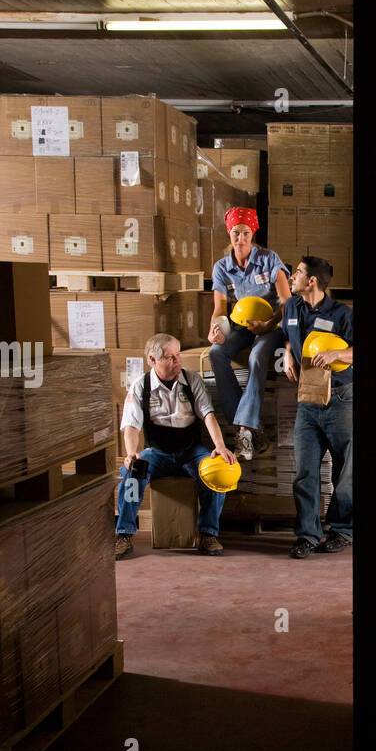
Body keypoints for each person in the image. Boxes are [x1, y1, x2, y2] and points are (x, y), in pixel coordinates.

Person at [114, 334, 237, 560]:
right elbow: (131, 426)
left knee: (217, 473)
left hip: (190, 451)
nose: (177, 361)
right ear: (153, 359)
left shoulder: (191, 381)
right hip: (158, 453)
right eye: (170, 357)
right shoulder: (141, 386)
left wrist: (220, 446)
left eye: (178, 354)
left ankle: (208, 534)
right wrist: (132, 453)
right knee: (132, 474)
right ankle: (124, 534)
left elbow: (208, 415)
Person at [280, 255, 354, 558]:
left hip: (341, 398)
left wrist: (336, 353)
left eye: (297, 272)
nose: (292, 276)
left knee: (345, 472)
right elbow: (288, 332)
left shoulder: (342, 313)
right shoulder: (291, 307)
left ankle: (341, 531)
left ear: (312, 281)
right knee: (305, 471)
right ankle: (308, 536)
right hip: (308, 399)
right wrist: (287, 352)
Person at [207, 206, 291, 460]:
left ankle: (244, 430)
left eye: (245, 233)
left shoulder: (269, 259)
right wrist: (214, 330)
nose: (240, 238)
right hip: (241, 325)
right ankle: (253, 428)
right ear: (229, 234)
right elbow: (219, 309)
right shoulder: (222, 267)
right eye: (235, 233)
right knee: (216, 352)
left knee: (256, 358)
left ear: (253, 232)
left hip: (271, 324)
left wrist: (268, 325)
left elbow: (286, 301)